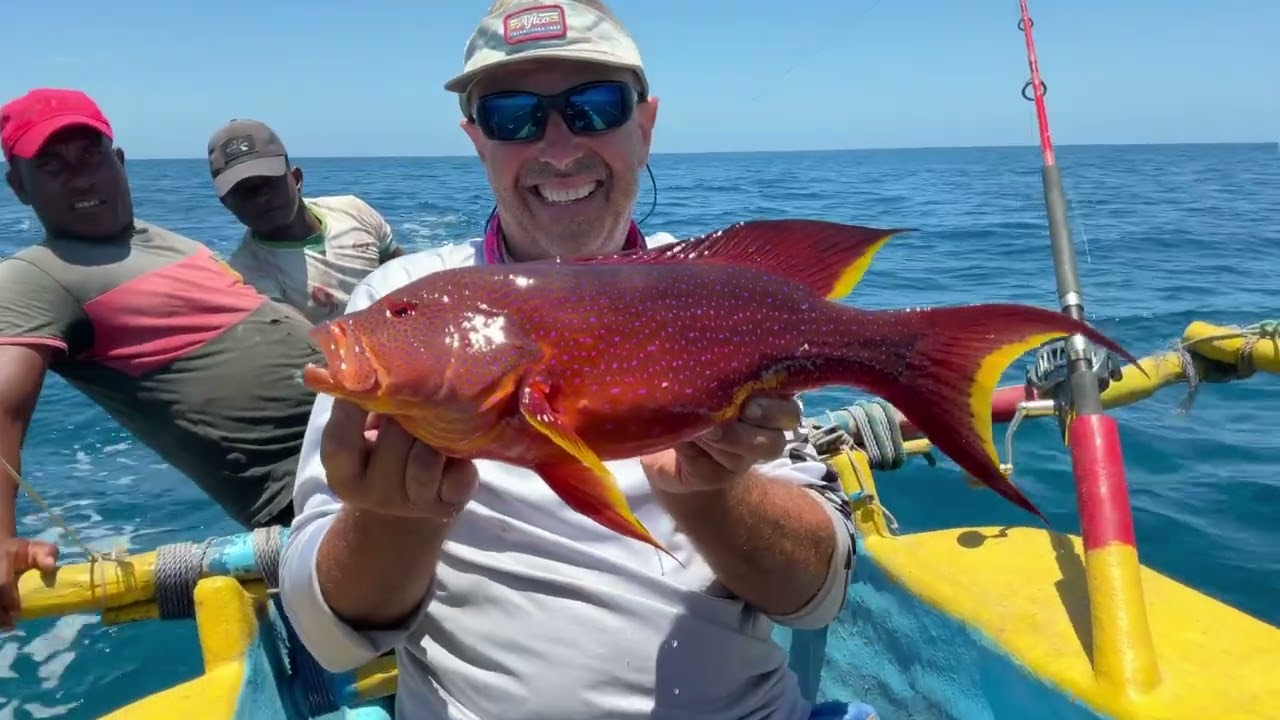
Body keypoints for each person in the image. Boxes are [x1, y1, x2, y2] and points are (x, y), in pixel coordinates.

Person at [280, 2, 879, 718]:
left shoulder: (717, 297)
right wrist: (392, 518)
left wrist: (713, 494)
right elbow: (330, 639)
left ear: (645, 125)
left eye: (595, 107)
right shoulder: (397, 295)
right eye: (512, 116)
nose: (559, 147)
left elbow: (815, 598)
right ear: (477, 140)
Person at [0, 88, 320, 629]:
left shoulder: (166, 242)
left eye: (91, 156)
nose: (80, 179)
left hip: (379, 430)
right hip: (311, 484)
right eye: (51, 166)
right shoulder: (34, 277)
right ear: (18, 187)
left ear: (119, 161)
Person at [207, 119, 404, 324]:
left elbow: (406, 275)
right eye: (243, 192)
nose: (260, 198)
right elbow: (296, 338)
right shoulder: (245, 277)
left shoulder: (354, 210)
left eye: (268, 182)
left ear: (296, 179)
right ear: (226, 204)